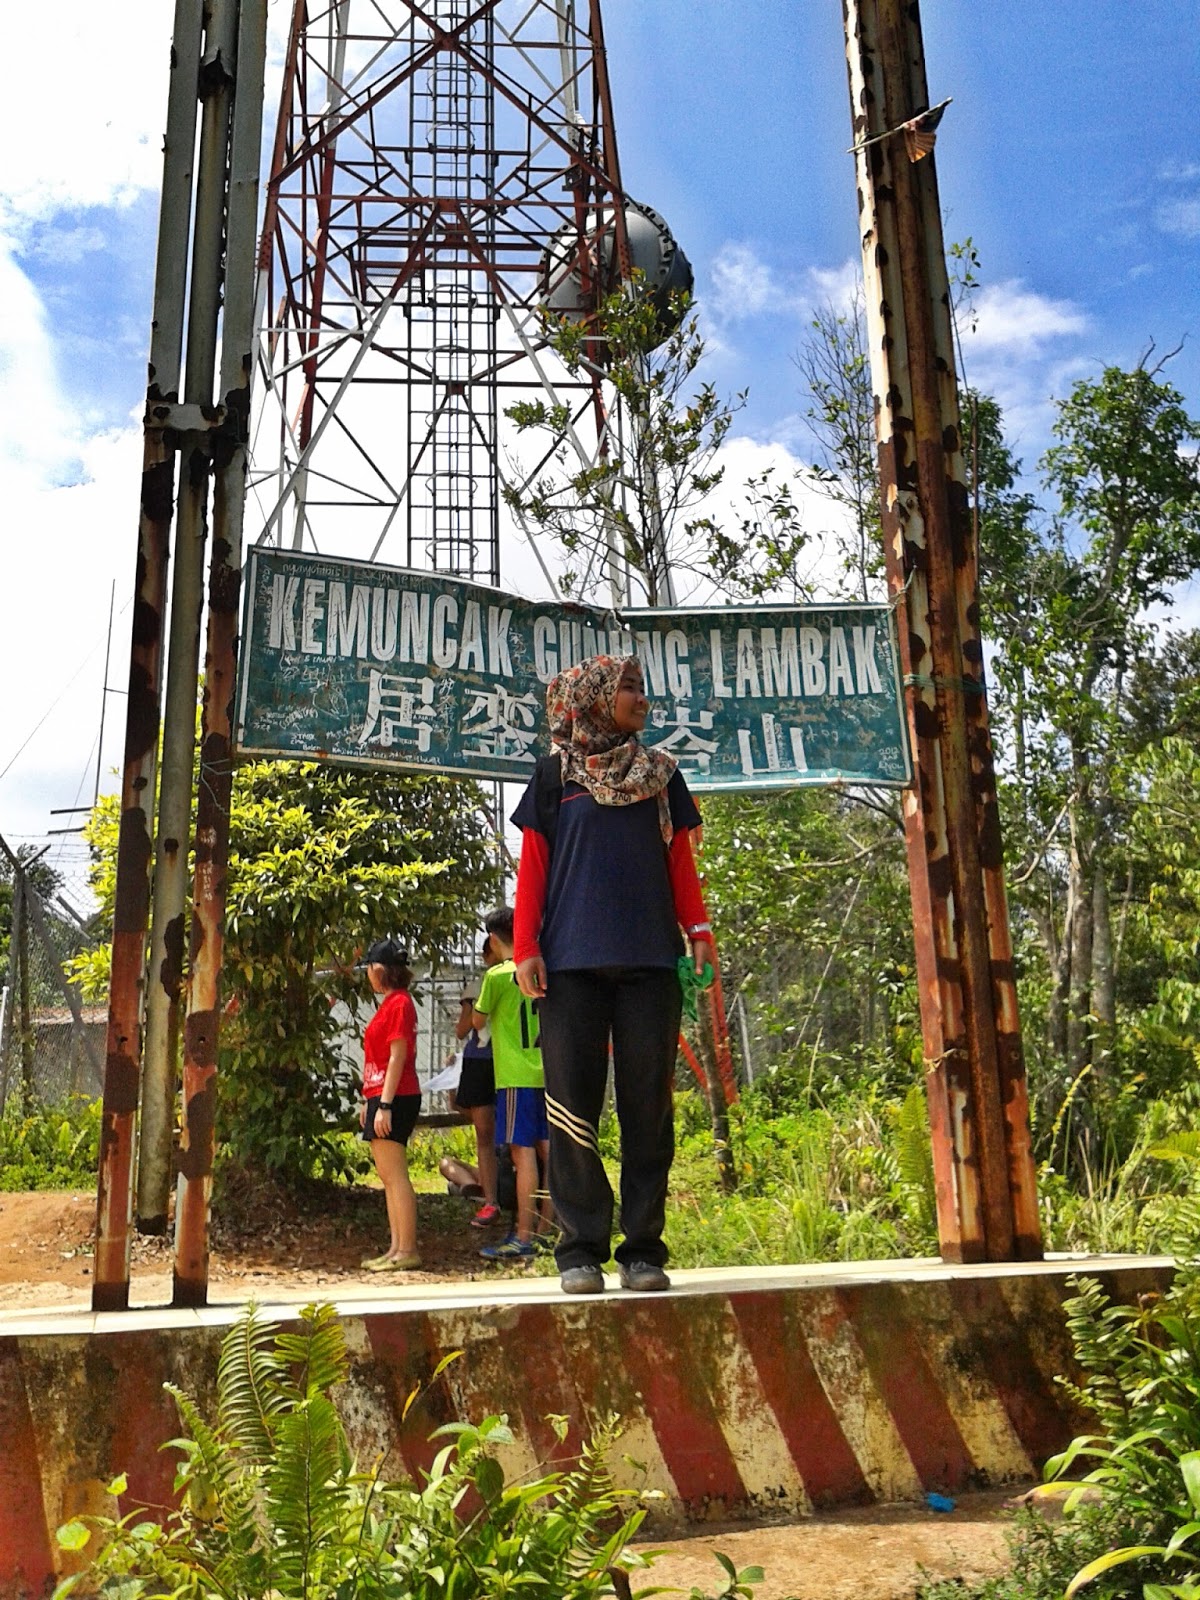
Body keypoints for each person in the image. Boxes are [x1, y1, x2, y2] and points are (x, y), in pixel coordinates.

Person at [512, 654, 713, 1296]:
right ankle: (579, 1250)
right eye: (626, 686)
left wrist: (700, 932)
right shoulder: (553, 776)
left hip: (651, 963)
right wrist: (524, 949)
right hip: (568, 969)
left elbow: (680, 860)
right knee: (572, 1109)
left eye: (641, 687)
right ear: (591, 698)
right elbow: (534, 869)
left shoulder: (660, 776)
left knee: (648, 1106)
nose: (639, 697)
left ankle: (644, 1249)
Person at [472, 905, 552, 1261]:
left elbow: (476, 1022)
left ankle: (523, 1236)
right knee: (551, 1153)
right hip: (547, 1072)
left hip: (515, 1077)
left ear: (493, 939)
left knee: (523, 1156)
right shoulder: (538, 968)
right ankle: (547, 1230)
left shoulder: (498, 976)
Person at [359, 937, 422, 1272]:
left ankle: (407, 1248)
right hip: (381, 1095)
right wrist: (369, 1101)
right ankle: (396, 1248)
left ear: (378, 969)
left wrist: (384, 1104)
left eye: (369, 966)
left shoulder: (399, 1003)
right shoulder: (389, 1003)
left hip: (395, 1096)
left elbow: (398, 1056)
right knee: (388, 1175)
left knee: (395, 1175)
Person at [445, 932, 502, 1228]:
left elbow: (462, 1029)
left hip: (482, 1061)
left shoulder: (480, 985)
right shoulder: (521, 976)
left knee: (484, 1135)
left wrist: (471, 1005)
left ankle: (491, 1200)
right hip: (506, 1061)